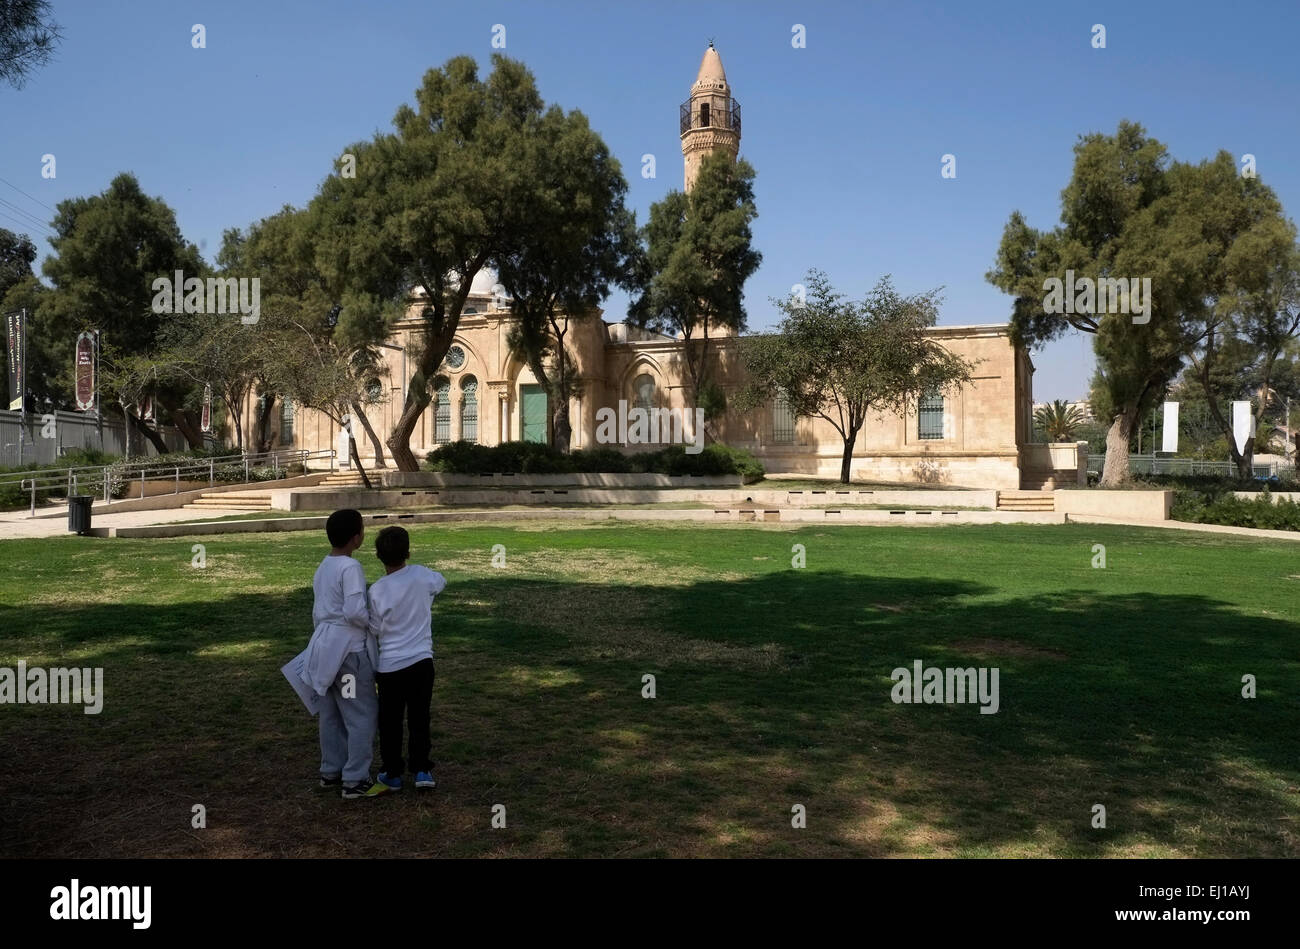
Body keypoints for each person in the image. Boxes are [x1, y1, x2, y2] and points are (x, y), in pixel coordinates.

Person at [301, 509, 387, 799]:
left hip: (324, 650)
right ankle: (355, 779)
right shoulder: (350, 568)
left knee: (331, 714)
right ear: (355, 538)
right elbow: (353, 611)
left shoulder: (324, 565)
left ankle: (331, 770)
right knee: (361, 713)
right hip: (349, 653)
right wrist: (374, 624)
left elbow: (320, 610)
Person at [367, 526, 447, 792]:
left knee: (389, 721)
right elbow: (441, 581)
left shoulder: (377, 590)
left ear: (378, 556)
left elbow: (375, 628)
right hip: (422, 661)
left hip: (389, 666)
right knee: (419, 717)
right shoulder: (422, 575)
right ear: (408, 552)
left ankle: (392, 772)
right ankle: (422, 769)